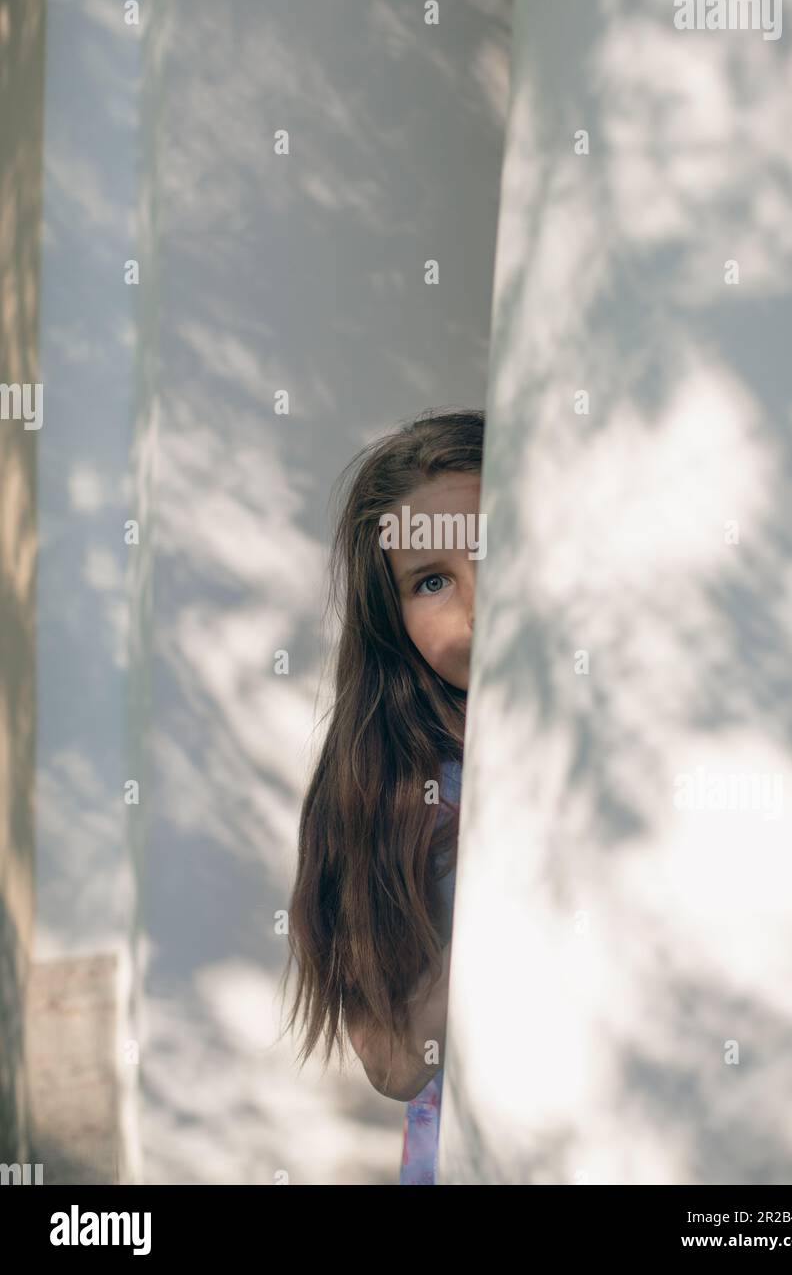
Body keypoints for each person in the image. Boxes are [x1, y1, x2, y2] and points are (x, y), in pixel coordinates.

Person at [280, 407, 483, 1184]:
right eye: (432, 581)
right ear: (392, 622)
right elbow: (396, 1064)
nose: (477, 602)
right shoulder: (386, 786)